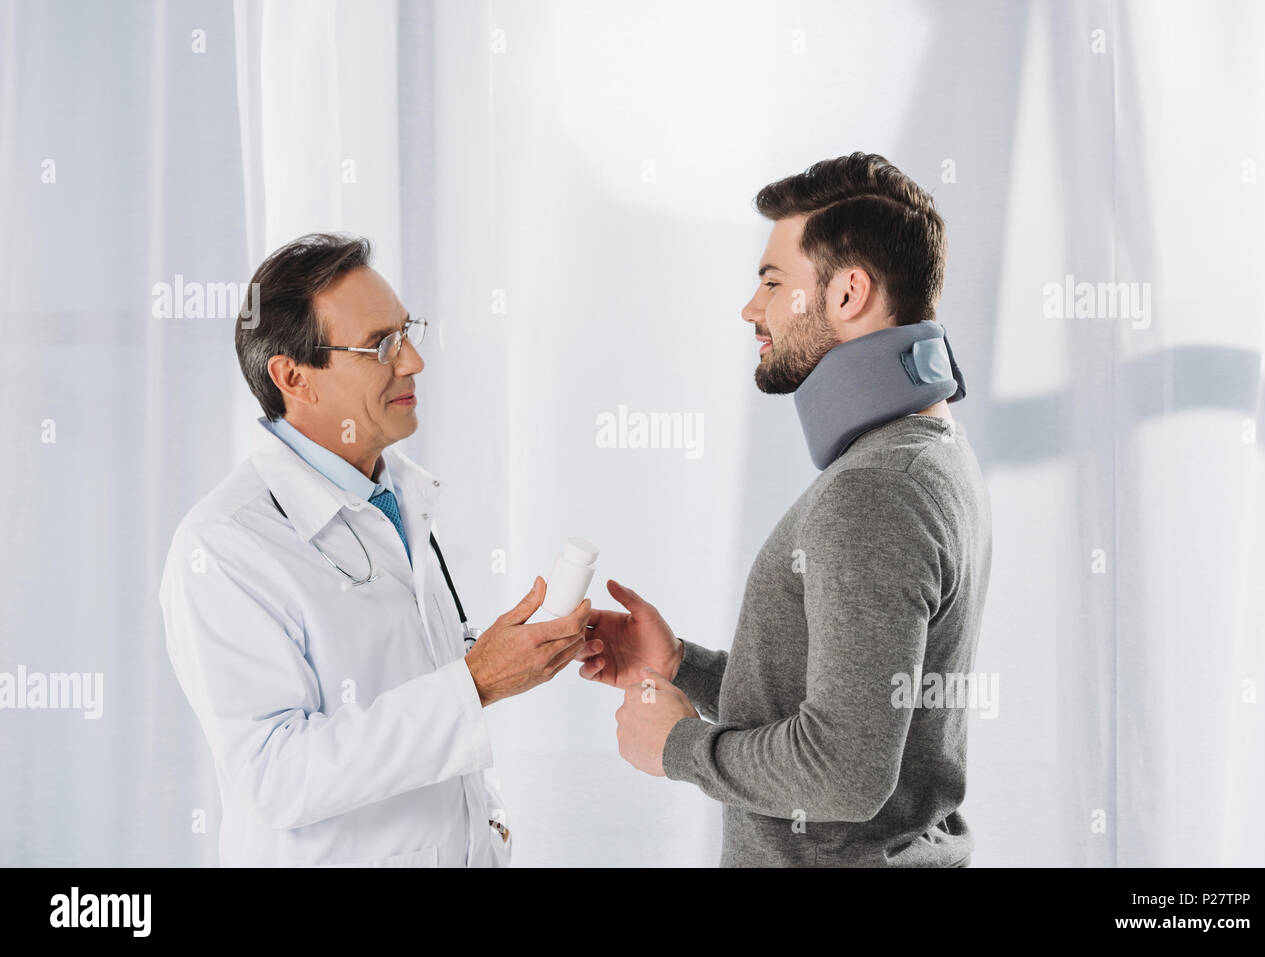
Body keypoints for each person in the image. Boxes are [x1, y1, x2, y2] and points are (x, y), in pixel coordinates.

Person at [576, 153, 994, 867]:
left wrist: (679, 747)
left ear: (848, 292)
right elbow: (855, 697)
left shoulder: (877, 488)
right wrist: (682, 666)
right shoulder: (931, 447)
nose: (751, 308)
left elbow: (845, 769)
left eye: (772, 282)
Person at [158, 233, 591, 867]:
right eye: (381, 345)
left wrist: (519, 651)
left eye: (407, 331)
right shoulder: (225, 545)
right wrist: (475, 684)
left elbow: (405, 675)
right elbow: (274, 776)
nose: (412, 360)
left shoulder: (395, 496)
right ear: (292, 377)